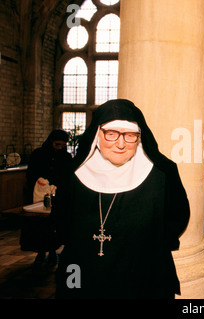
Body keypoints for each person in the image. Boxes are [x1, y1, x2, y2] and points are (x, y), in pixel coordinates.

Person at [53, 99, 190, 299]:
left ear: (139, 137)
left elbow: (177, 217)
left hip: (141, 276)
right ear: (97, 135)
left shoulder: (162, 174)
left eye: (130, 135)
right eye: (111, 134)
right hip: (84, 276)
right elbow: (61, 221)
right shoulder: (73, 175)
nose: (120, 143)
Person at [22, 129, 72, 265]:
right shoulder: (38, 154)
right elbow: (31, 174)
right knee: (38, 226)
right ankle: (40, 252)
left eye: (62, 145)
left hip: (57, 195)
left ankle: (52, 251)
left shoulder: (66, 157)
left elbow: (67, 176)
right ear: (51, 142)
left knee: (53, 226)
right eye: (57, 145)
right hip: (37, 194)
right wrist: (41, 183)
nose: (60, 148)